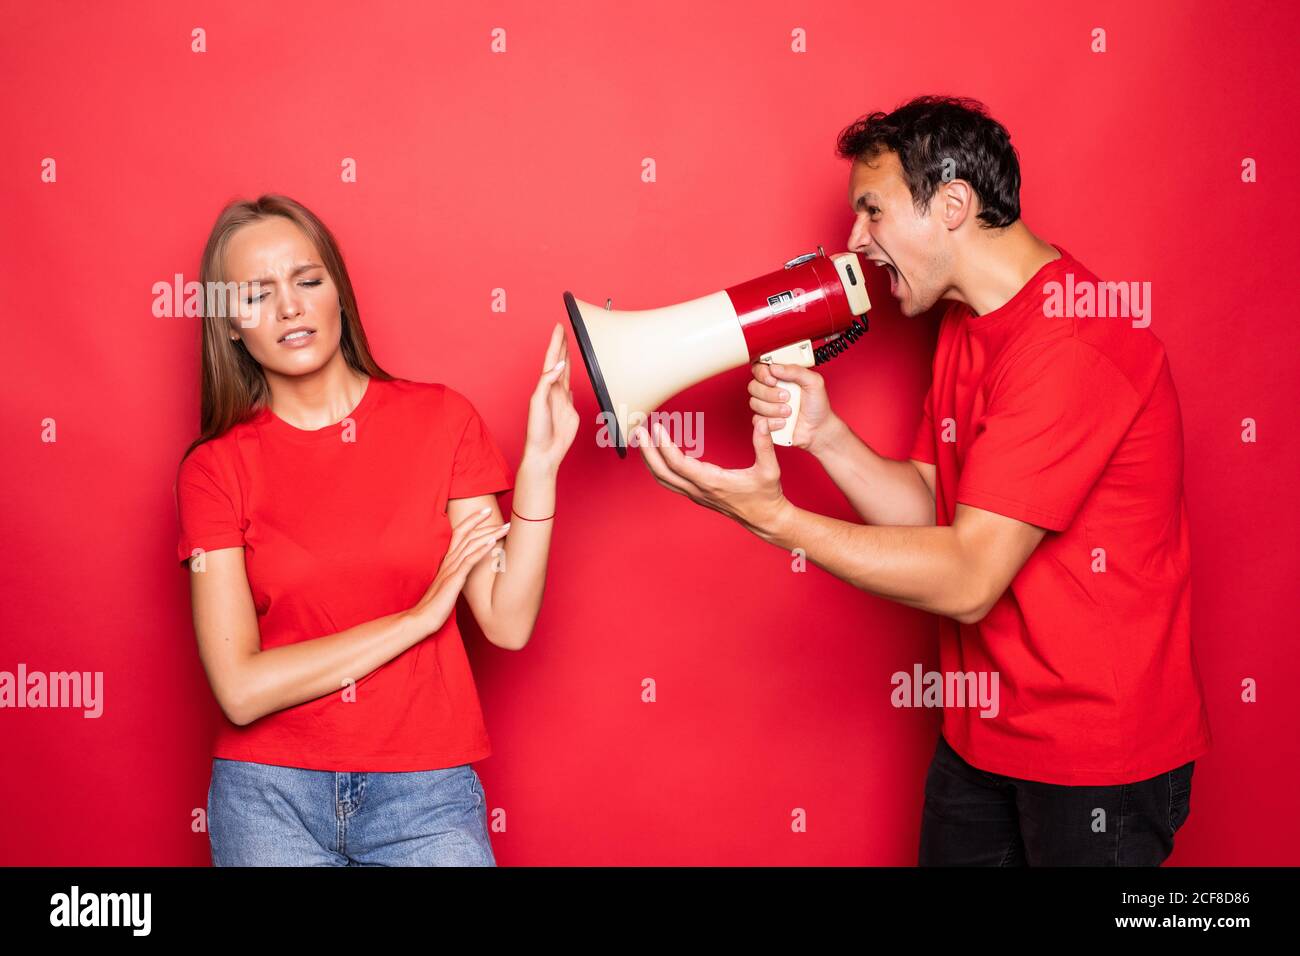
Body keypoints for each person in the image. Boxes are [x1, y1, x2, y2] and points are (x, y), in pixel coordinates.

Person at [631, 96, 1211, 866]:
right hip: (980, 739)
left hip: (1092, 762)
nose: (853, 240)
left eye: (872, 211)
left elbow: (970, 576)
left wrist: (778, 520)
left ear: (953, 204)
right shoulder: (966, 320)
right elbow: (931, 510)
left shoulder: (1074, 344)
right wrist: (827, 438)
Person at [175, 194, 578, 866]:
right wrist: (416, 621)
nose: (290, 308)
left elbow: (506, 623)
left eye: (308, 281)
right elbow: (241, 692)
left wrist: (539, 467)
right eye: (257, 294)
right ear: (231, 325)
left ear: (339, 294)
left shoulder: (443, 421)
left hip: (426, 792)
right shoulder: (214, 470)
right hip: (268, 797)